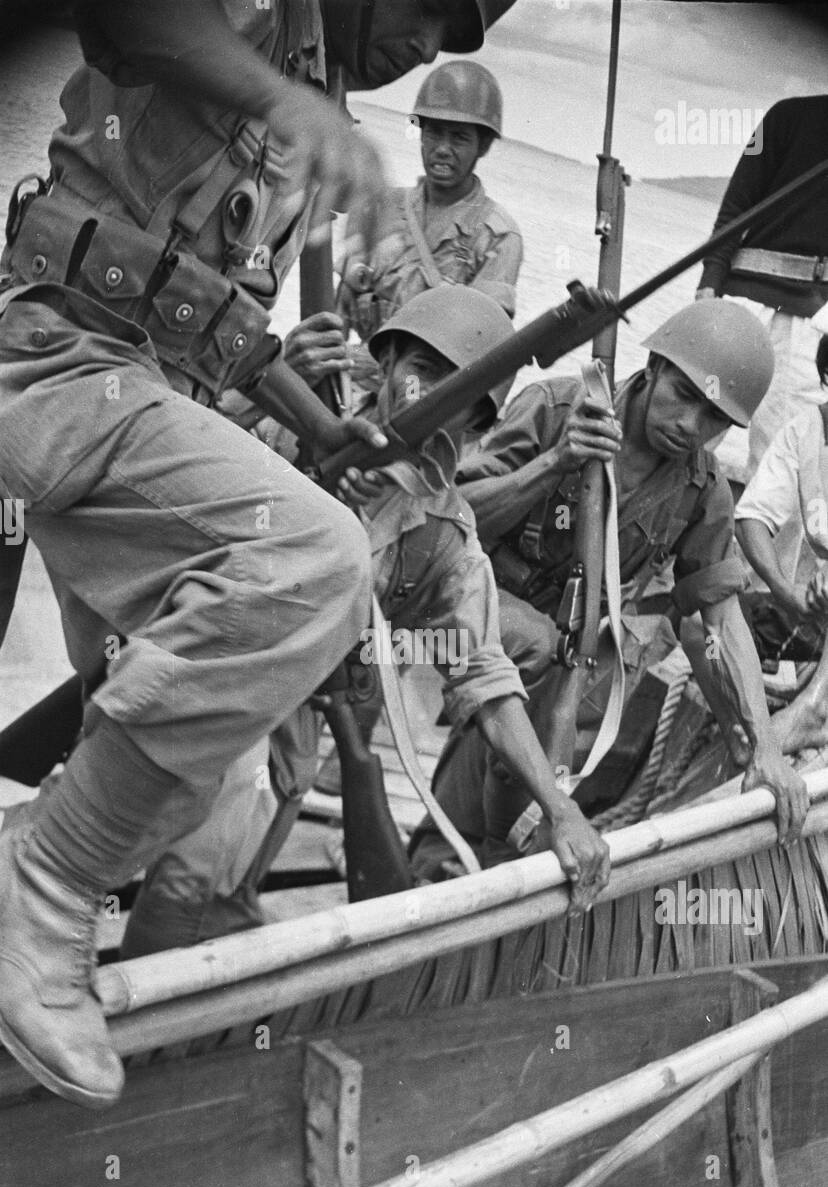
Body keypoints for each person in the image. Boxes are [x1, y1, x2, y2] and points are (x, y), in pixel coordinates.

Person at [0, 0, 519, 1109]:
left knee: (192, 748)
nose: (428, 48)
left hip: (143, 388)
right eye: (432, 12)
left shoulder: (318, 88)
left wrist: (317, 418)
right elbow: (128, 18)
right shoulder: (267, 25)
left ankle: (52, 905)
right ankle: (42, 877)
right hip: (61, 356)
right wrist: (284, 98)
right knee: (313, 564)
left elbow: (211, 309)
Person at [120, 286, 611, 961]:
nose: (422, 394)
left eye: (451, 386)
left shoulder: (446, 538)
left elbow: (486, 678)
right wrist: (295, 455)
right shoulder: (295, 430)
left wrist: (562, 809)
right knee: (165, 847)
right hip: (194, 672)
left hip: (296, 722)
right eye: (420, 369)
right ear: (385, 364)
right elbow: (167, 452)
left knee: (231, 865)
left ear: (477, 419)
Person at [410, 298, 810, 880]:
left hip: (564, 650)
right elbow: (444, 522)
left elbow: (722, 619)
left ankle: (489, 855)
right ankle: (442, 857)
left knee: (549, 744)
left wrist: (766, 745)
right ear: (652, 368)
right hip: (456, 610)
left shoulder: (702, 488)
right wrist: (553, 464)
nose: (690, 426)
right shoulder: (556, 409)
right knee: (532, 661)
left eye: (715, 419)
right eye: (684, 396)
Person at [335, 58, 523, 405]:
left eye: (459, 137)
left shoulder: (496, 237)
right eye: (434, 132)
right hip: (353, 382)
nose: (442, 148)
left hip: (422, 400)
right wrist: (328, 382)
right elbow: (339, 311)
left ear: (483, 146)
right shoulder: (382, 207)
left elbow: (477, 356)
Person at [695, 95, 828, 489]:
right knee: (687, 429)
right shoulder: (787, 115)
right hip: (741, 305)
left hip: (813, 327)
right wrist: (708, 285)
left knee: (786, 472)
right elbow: (736, 205)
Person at [735, 333, 828, 751]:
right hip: (815, 618)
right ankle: (738, 724)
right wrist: (785, 591)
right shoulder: (805, 432)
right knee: (703, 626)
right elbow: (751, 517)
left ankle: (814, 711)